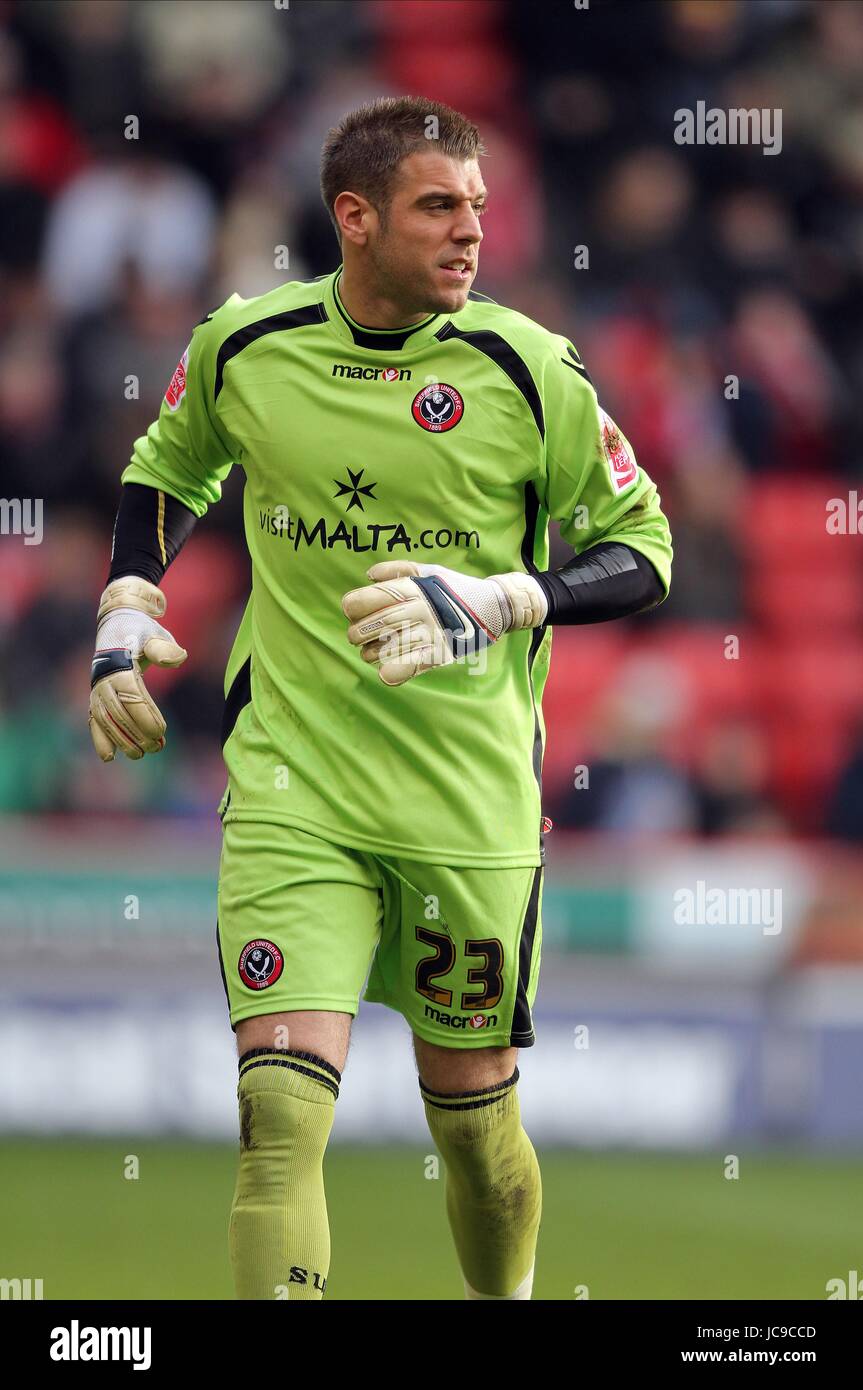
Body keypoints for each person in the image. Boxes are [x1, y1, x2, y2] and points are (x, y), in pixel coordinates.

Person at [88, 96, 672, 1301]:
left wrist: (508, 598)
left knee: (472, 1129)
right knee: (277, 1109)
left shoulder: (529, 369)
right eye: (438, 206)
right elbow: (167, 465)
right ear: (353, 219)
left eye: (477, 206)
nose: (471, 231)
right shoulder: (246, 346)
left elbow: (645, 548)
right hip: (294, 781)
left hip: (466, 801)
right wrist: (127, 600)